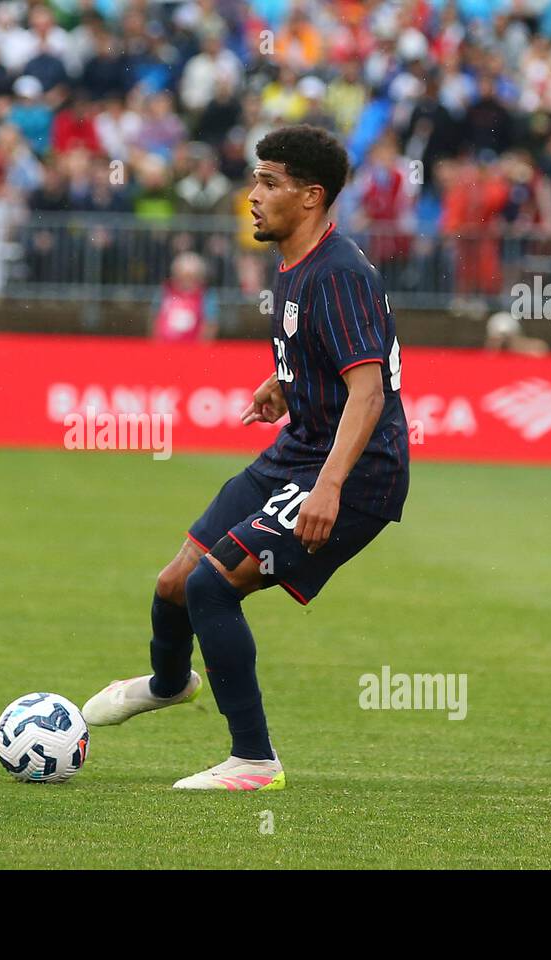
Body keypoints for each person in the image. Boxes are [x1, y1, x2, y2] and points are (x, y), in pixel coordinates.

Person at [81, 125, 410, 791]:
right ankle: (170, 684)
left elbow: (370, 392)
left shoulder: (339, 274)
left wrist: (329, 487)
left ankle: (255, 760)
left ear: (311, 197)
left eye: (268, 182)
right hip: (296, 449)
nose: (251, 195)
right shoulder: (295, 262)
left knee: (212, 585)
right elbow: (331, 357)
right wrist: (284, 383)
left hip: (353, 469)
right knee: (175, 581)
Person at [150, 251, 218, 342]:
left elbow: (210, 325)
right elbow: (155, 321)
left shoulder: (206, 295)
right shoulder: (164, 292)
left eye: (191, 277)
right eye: (182, 277)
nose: (186, 282)